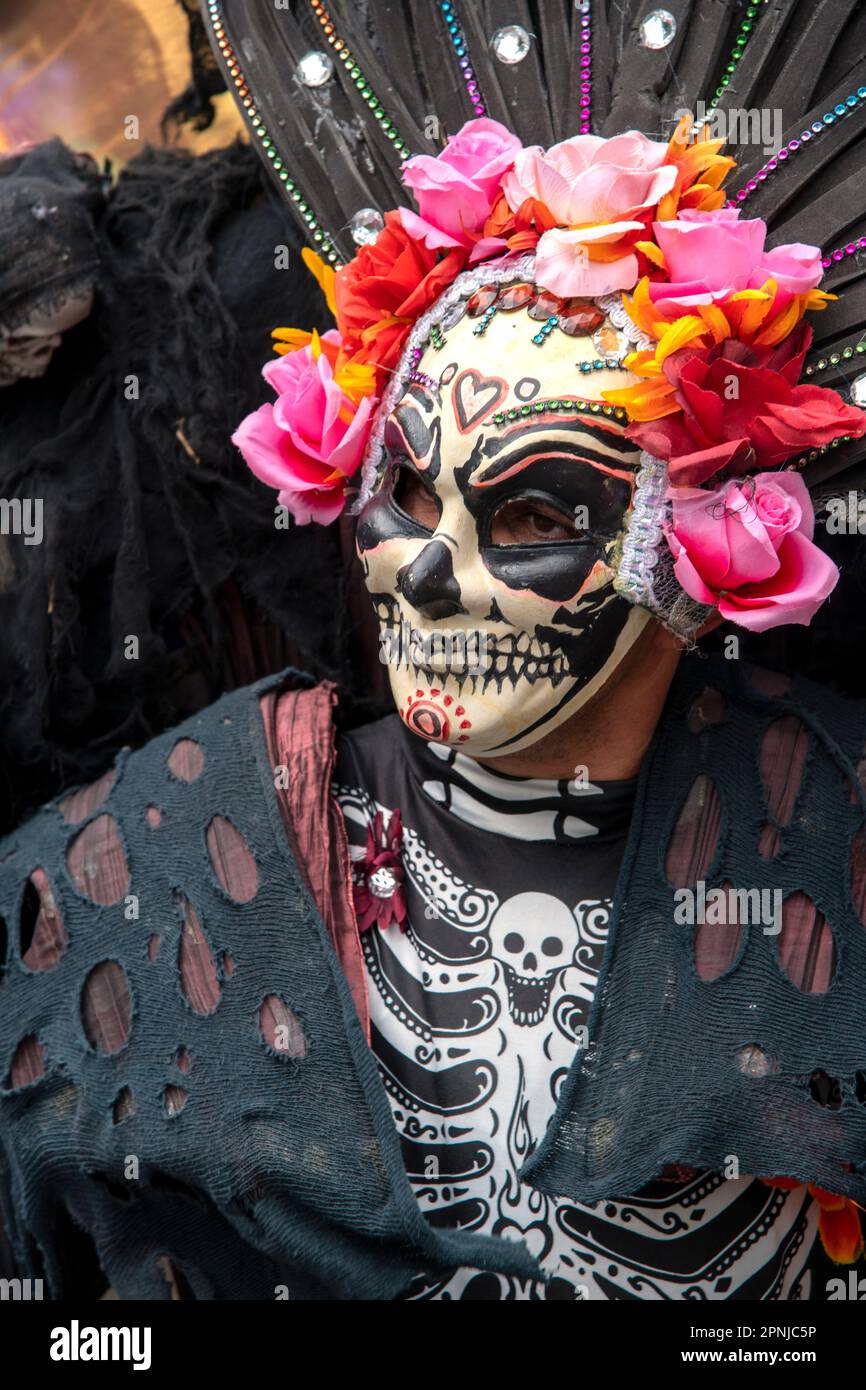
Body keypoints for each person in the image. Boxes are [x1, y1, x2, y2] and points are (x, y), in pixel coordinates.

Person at [3, 0, 866, 1302]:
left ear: (697, 547)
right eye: (407, 493)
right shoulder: (104, 890)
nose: (423, 565)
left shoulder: (831, 845)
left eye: (527, 514)